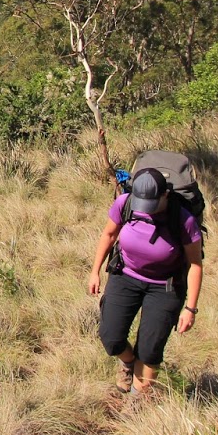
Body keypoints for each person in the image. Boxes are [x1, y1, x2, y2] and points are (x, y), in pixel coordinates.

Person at [87, 167, 204, 393]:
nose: (146, 211)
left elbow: (195, 265)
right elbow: (109, 235)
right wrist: (95, 271)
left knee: (150, 351)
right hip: (126, 275)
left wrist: (190, 308)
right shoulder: (126, 203)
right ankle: (128, 362)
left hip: (165, 286)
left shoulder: (183, 220)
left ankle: (137, 402)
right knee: (111, 337)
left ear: (165, 195)